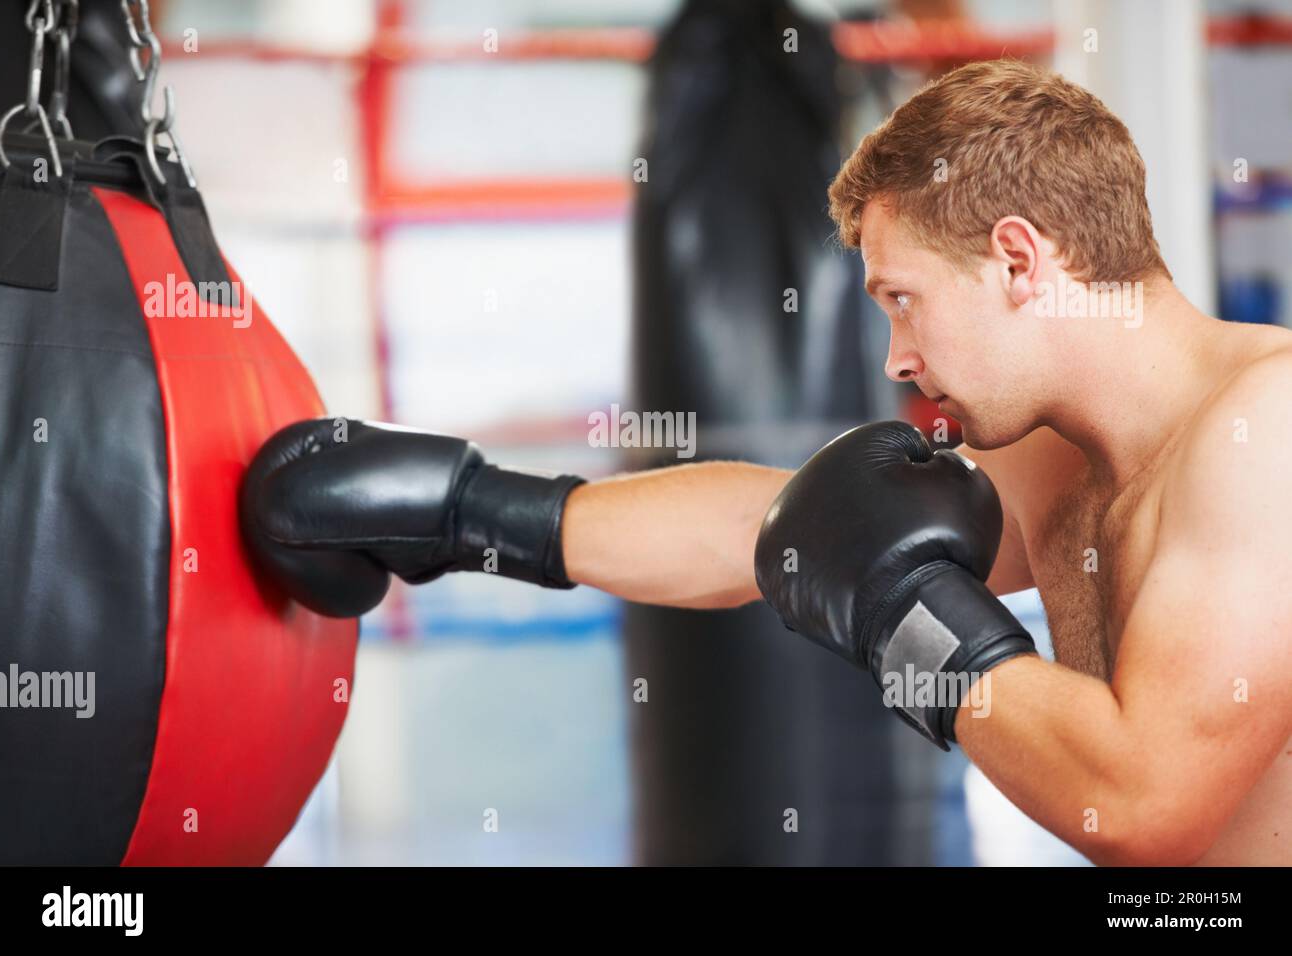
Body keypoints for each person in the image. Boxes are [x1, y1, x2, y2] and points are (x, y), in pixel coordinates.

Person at [243, 59, 1292, 866]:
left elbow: (1146, 802)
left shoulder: (1262, 433)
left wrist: (903, 615)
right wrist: (475, 512)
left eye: (903, 299)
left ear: (1018, 260)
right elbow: (783, 530)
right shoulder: (1063, 460)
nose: (895, 357)